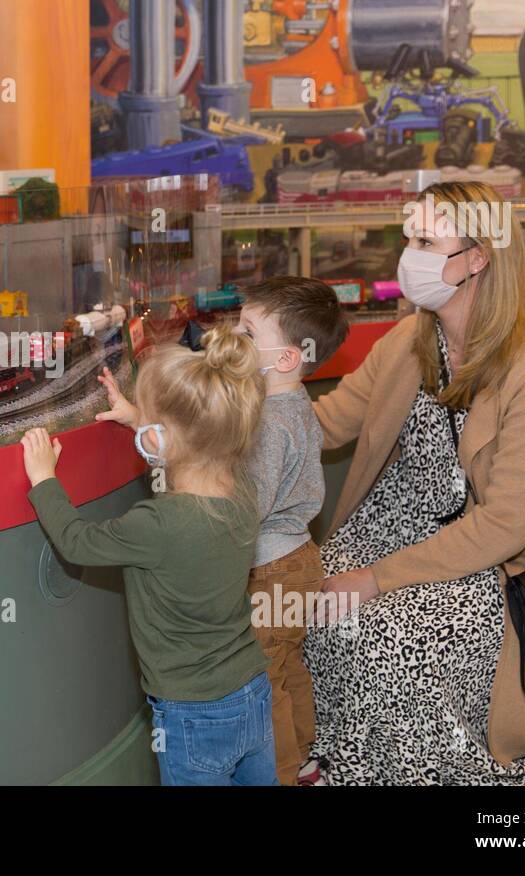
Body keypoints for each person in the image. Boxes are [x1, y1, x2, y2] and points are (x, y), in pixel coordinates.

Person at [305, 180, 525, 784]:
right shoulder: (407, 342)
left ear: (478, 258)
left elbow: (505, 524)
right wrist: (238, 397)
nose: (408, 254)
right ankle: (345, 756)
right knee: (313, 602)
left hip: (505, 566)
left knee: (385, 630)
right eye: (409, 238)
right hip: (392, 532)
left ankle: (413, 766)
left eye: (426, 240)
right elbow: (323, 427)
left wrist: (375, 579)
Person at [21, 327, 274, 785]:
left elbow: (77, 541)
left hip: (190, 709)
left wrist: (44, 481)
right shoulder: (245, 490)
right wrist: (141, 418)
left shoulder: (155, 525)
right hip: (251, 690)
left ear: (164, 438)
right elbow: (196, 445)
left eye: (152, 424)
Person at [233, 276, 348, 785]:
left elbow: (249, 506)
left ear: (283, 360)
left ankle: (279, 773)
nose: (234, 337)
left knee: (265, 677)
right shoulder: (294, 403)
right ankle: (304, 758)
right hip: (299, 561)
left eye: (248, 332)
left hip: (270, 568)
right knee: (288, 662)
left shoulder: (271, 424)